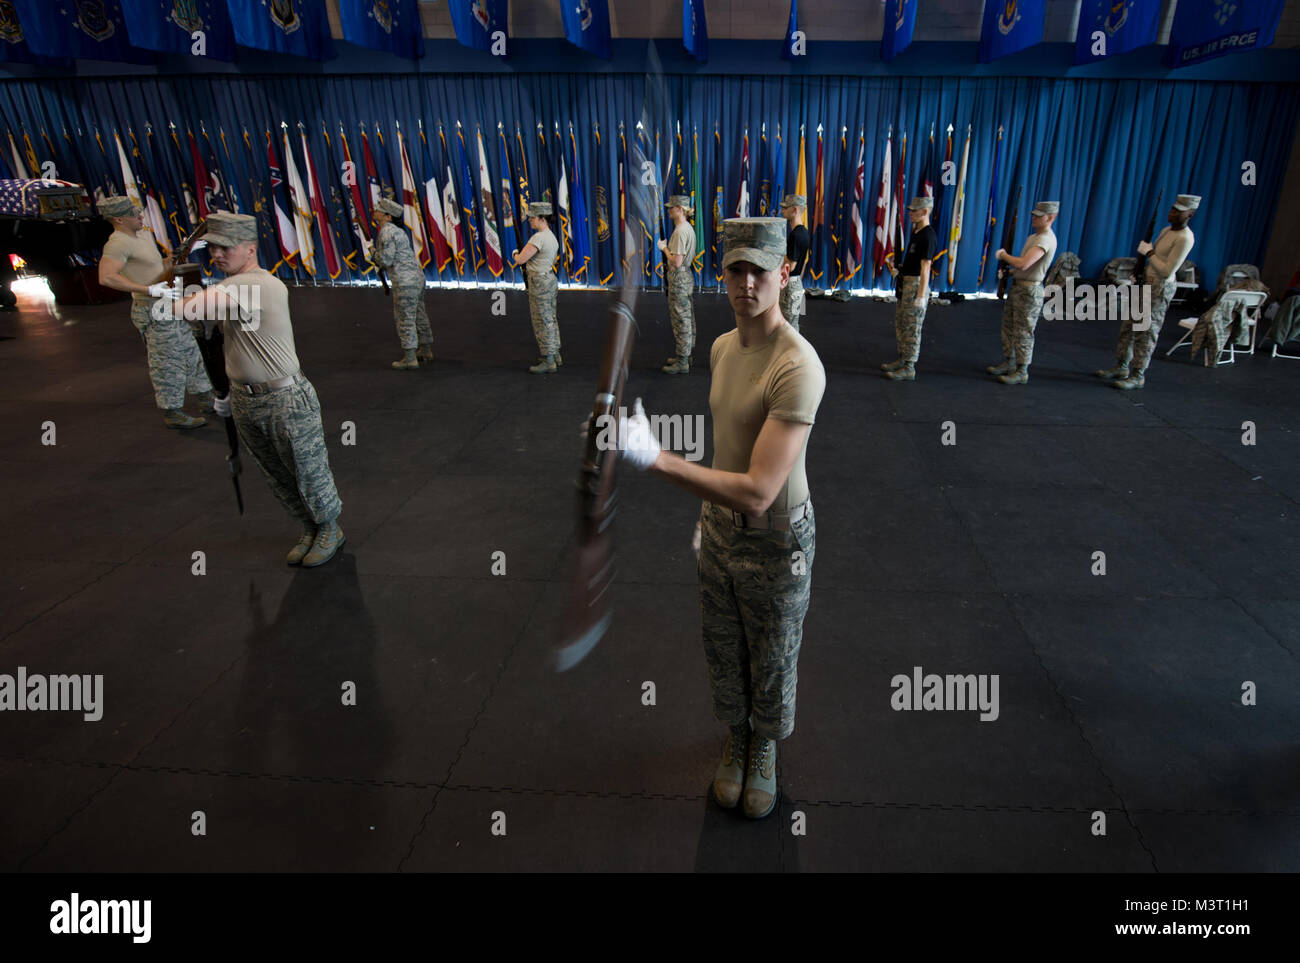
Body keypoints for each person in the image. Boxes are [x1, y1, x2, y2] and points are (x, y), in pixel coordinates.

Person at [606, 218, 825, 820]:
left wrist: (656, 459)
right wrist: (709, 515)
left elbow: (758, 491)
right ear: (722, 274)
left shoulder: (798, 366)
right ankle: (738, 735)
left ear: (785, 273)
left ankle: (766, 748)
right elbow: (731, 449)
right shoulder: (722, 348)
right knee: (724, 648)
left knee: (774, 652)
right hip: (721, 528)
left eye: (760, 269)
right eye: (735, 268)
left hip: (778, 541)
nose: (747, 281)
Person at [177, 212, 345, 568]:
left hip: (284, 398)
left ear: (250, 248)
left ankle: (329, 527)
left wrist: (166, 284)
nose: (217, 255)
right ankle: (307, 526)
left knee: (307, 469)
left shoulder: (257, 285)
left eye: (226, 247)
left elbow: (181, 308)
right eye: (213, 249)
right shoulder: (229, 288)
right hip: (244, 398)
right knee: (277, 473)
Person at [97, 195, 213, 428]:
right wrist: (147, 289)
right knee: (167, 362)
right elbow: (106, 277)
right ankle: (172, 412)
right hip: (152, 308)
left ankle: (206, 399)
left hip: (169, 305)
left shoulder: (141, 236)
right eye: (134, 214)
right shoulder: (118, 243)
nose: (141, 216)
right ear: (119, 219)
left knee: (191, 354)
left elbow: (156, 267)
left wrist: (178, 256)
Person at [1096, 194, 1200, 390]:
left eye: (1179, 211)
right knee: (1128, 327)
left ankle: (1138, 375)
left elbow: (1167, 270)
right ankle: (1122, 366)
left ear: (1190, 214)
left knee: (1146, 331)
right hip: (1145, 282)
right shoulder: (1166, 230)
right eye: (1172, 209)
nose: (1173, 213)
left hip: (1160, 287)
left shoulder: (1185, 238)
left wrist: (1149, 252)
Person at [987, 200, 1059, 385]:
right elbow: (1022, 267)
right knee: (1009, 326)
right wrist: (1009, 273)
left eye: (1038, 215)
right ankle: (1010, 361)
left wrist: (1003, 256)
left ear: (1050, 217)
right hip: (1019, 287)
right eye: (1034, 214)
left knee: (1024, 331)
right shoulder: (1033, 237)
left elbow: (1023, 263)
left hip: (1030, 291)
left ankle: (1021, 370)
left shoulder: (1045, 239)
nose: (1033, 217)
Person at [371, 196, 433, 371]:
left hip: (404, 281)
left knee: (404, 317)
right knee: (419, 313)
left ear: (388, 216)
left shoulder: (386, 231)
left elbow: (386, 259)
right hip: (416, 277)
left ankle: (410, 357)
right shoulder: (399, 231)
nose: (375, 212)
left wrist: (372, 253)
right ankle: (426, 349)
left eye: (379, 211)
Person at [882, 197, 938, 381]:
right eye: (910, 210)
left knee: (913, 326)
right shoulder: (917, 232)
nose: (910, 213)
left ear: (925, 212)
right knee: (902, 323)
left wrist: (921, 296)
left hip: (916, 285)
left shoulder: (928, 235)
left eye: (915, 211)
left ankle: (909, 366)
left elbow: (926, 267)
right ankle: (903, 358)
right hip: (907, 282)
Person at [511, 202, 562, 374]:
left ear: (542, 218)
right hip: (548, 278)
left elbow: (520, 260)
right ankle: (554, 354)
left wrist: (514, 253)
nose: (530, 221)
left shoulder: (538, 238)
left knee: (541, 320)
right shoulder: (552, 237)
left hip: (539, 282)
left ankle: (549, 360)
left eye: (532, 218)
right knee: (550, 318)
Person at [658, 195, 697, 374]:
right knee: (686, 317)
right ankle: (685, 354)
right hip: (685, 278)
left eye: (672, 207)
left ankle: (682, 360)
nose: (669, 210)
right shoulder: (686, 228)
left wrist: (664, 248)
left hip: (679, 278)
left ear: (680, 209)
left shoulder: (680, 231)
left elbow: (676, 261)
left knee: (680, 319)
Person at [778, 194, 810, 331]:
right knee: (793, 325)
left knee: (788, 328)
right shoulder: (803, 232)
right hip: (797, 284)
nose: (782, 211)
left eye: (786, 208)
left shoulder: (796, 235)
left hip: (790, 287)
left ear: (795, 210)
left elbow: (790, 266)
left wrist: (778, 257)